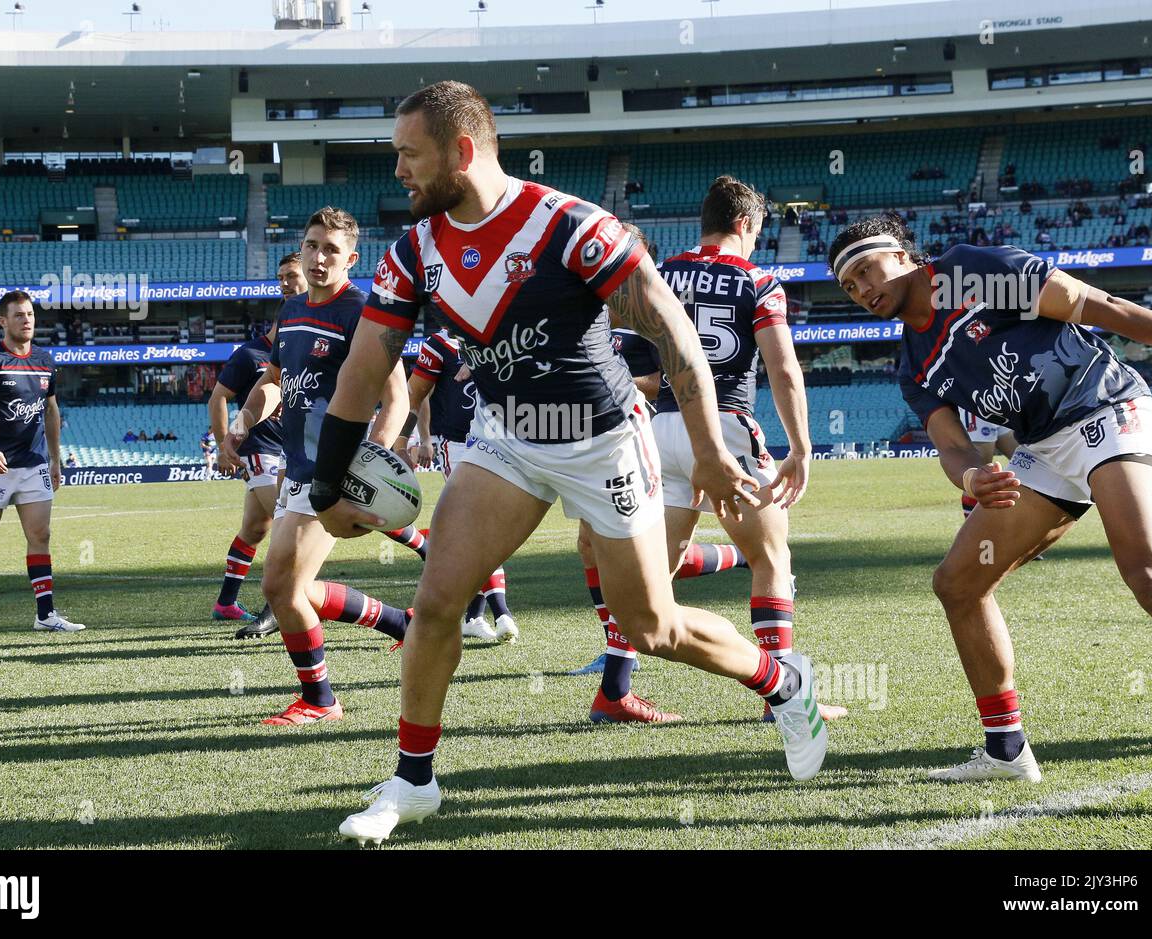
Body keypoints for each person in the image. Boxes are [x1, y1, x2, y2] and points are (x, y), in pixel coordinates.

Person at [305, 81, 827, 844]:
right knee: (440, 597)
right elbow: (361, 367)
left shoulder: (571, 224)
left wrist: (712, 450)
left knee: (649, 625)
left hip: (604, 442)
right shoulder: (414, 250)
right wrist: (328, 476)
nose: (398, 172)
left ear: (461, 150)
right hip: (507, 439)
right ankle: (413, 778)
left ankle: (784, 680)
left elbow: (674, 332)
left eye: (407, 154)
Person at [829, 213, 1152, 783]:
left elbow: (1103, 308)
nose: (864, 291)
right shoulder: (913, 363)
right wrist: (972, 479)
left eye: (867, 271)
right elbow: (950, 445)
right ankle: (1006, 750)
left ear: (903, 256)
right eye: (850, 287)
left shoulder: (971, 272)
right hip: (1043, 449)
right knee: (957, 583)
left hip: (1105, 409)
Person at [577, 179, 847, 725]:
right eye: (758, 232)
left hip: (662, 429)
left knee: (656, 570)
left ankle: (614, 688)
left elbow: (624, 356)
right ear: (746, 225)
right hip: (723, 427)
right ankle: (785, 695)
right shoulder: (758, 281)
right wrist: (800, 446)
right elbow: (783, 369)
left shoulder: (661, 271)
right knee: (771, 558)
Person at [223, 206, 413, 725]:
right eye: (312, 245)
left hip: (335, 471)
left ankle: (320, 700)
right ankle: (401, 622)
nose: (319, 257)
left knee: (279, 589)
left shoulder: (365, 313)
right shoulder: (290, 312)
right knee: (294, 588)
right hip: (298, 468)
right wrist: (242, 423)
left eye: (331, 249)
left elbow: (396, 399)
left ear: (352, 258)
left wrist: (366, 467)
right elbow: (275, 383)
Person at [0, 291, 84, 634]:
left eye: (29, 314)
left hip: (34, 462)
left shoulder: (44, 360)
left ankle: (45, 614)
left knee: (40, 534)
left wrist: (55, 459)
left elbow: (51, 411)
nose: (26, 320)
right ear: (3, 321)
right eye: (18, 315)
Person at [394, 326, 519, 642]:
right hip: (457, 444)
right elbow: (419, 394)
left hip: (498, 440)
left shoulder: (498, 337)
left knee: (483, 530)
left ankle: (474, 617)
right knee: (482, 526)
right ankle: (501, 612)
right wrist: (421, 438)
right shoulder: (439, 344)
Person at [208, 317, 286, 624]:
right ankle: (279, 604)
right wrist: (223, 446)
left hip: (286, 450)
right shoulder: (249, 355)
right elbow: (218, 397)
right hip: (259, 452)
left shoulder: (296, 351)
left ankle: (226, 603)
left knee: (256, 529)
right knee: (288, 521)